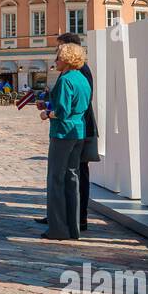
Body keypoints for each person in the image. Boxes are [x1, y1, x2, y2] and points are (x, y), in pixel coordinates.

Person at [37, 33, 97, 232]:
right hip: (79, 132)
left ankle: (58, 228)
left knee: (56, 178)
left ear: (67, 58)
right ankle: (74, 226)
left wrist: (47, 113)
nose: (56, 60)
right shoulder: (82, 78)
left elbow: (62, 111)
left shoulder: (66, 80)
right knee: (73, 179)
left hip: (63, 133)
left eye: (58, 56)